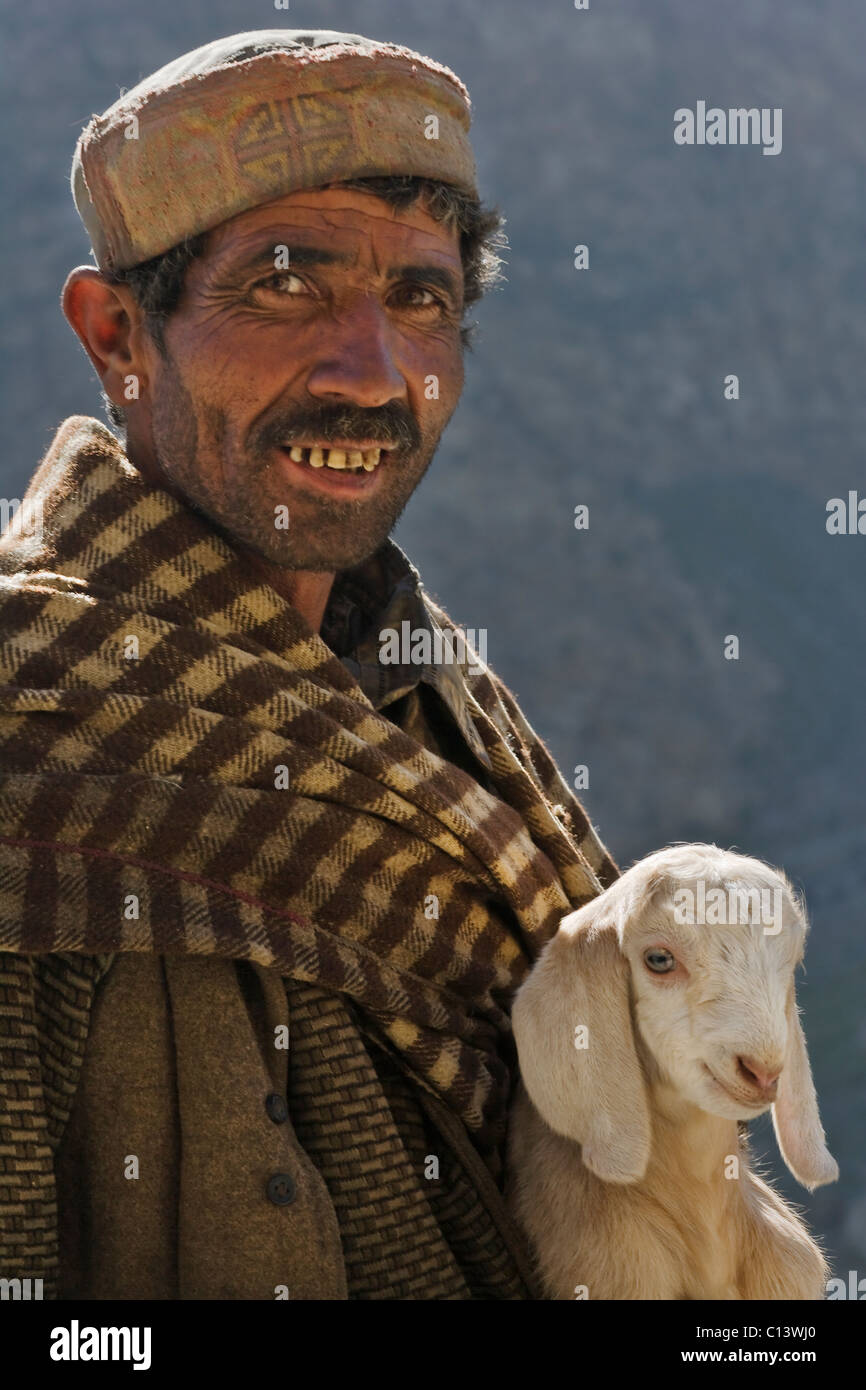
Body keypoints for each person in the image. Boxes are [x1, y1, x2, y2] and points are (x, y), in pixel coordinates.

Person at [0, 28, 618, 1300]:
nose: (374, 375)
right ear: (118, 335)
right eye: (284, 287)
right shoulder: (30, 743)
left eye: (420, 300)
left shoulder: (436, 703)